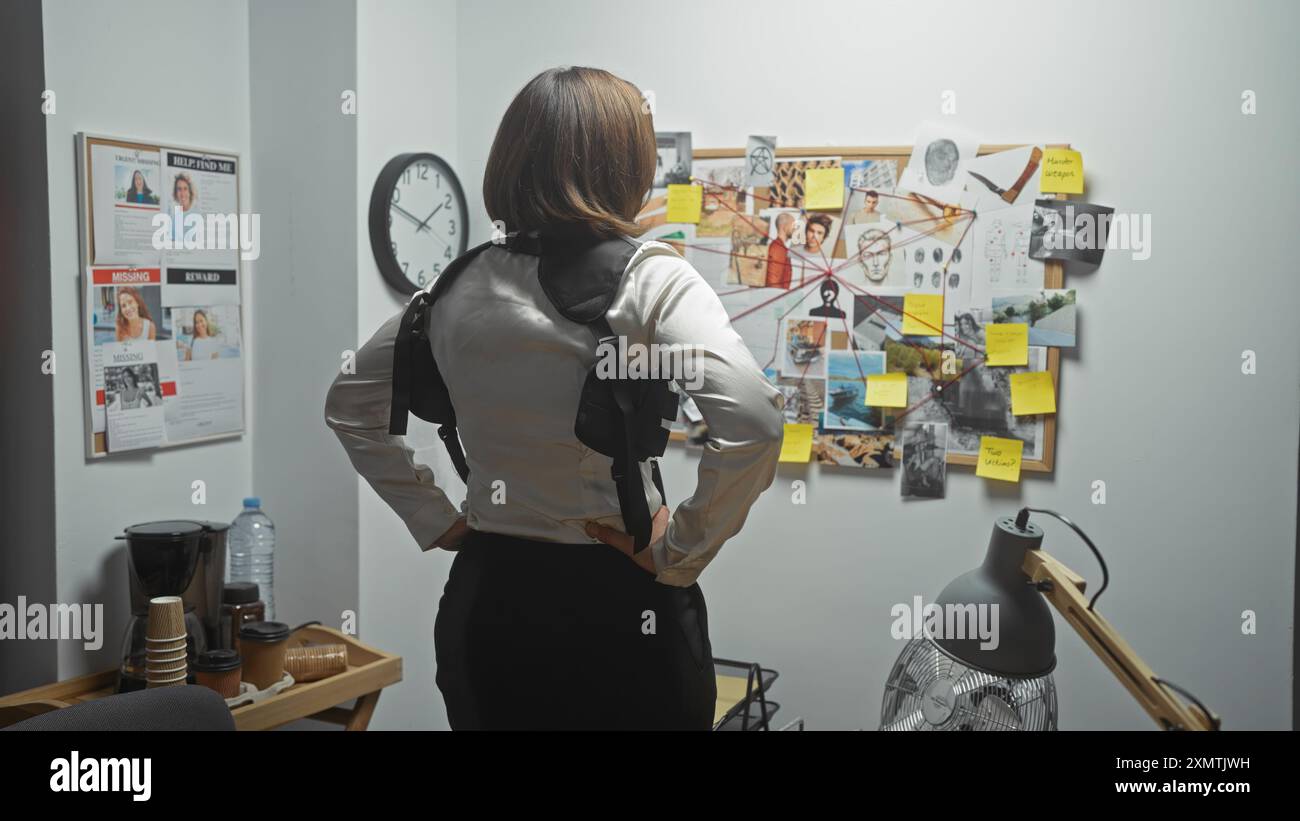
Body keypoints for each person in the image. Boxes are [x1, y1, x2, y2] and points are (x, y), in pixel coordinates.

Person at [325, 66, 784, 730]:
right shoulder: (651, 279)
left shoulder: (452, 288)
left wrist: (435, 516)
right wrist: (679, 551)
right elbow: (757, 422)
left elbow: (347, 404)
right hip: (623, 609)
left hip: (491, 603)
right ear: (623, 164)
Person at [765, 211, 795, 288]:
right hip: (775, 295)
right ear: (784, 226)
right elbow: (773, 281)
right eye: (793, 225)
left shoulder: (780, 247)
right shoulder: (778, 248)